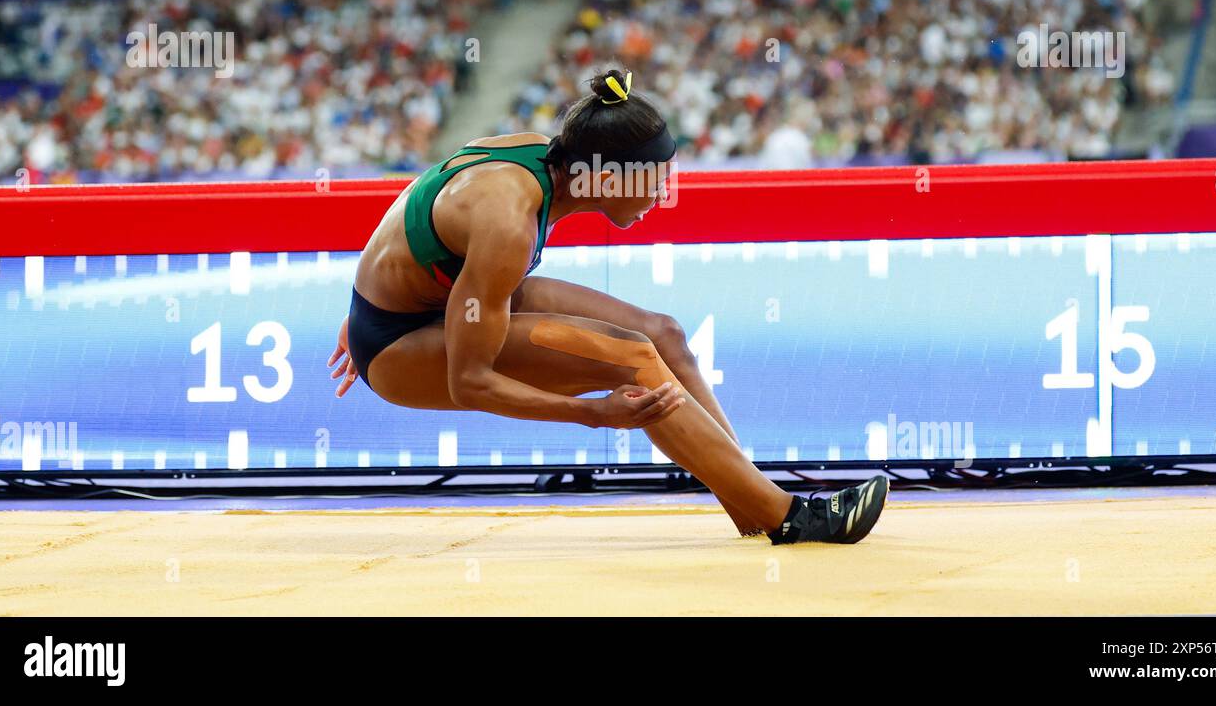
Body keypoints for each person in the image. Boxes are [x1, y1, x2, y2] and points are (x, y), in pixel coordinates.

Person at [328, 65, 888, 544]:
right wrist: (596, 414)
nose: (661, 196)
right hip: (396, 345)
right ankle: (789, 520)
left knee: (663, 335)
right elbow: (468, 382)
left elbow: (418, 208)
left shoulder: (547, 160)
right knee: (630, 357)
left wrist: (378, 289)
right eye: (653, 180)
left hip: (428, 304)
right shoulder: (508, 220)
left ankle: (754, 505)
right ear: (607, 176)